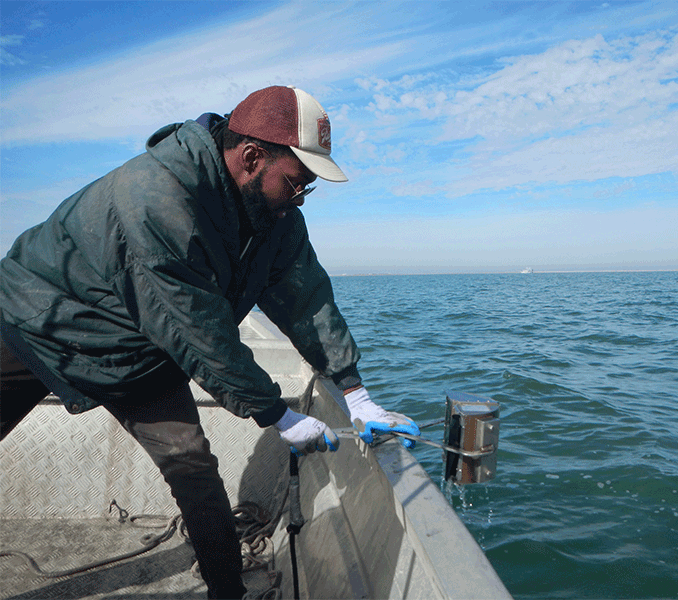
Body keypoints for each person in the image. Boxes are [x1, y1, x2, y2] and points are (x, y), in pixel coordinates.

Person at [0, 85, 420, 599]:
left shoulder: (277, 217)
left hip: (135, 351)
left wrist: (355, 392)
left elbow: (306, 297)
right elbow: (198, 331)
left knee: (194, 467)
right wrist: (277, 415)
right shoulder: (156, 195)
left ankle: (228, 593)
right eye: (297, 182)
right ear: (250, 157)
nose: (301, 198)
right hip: (34, 319)